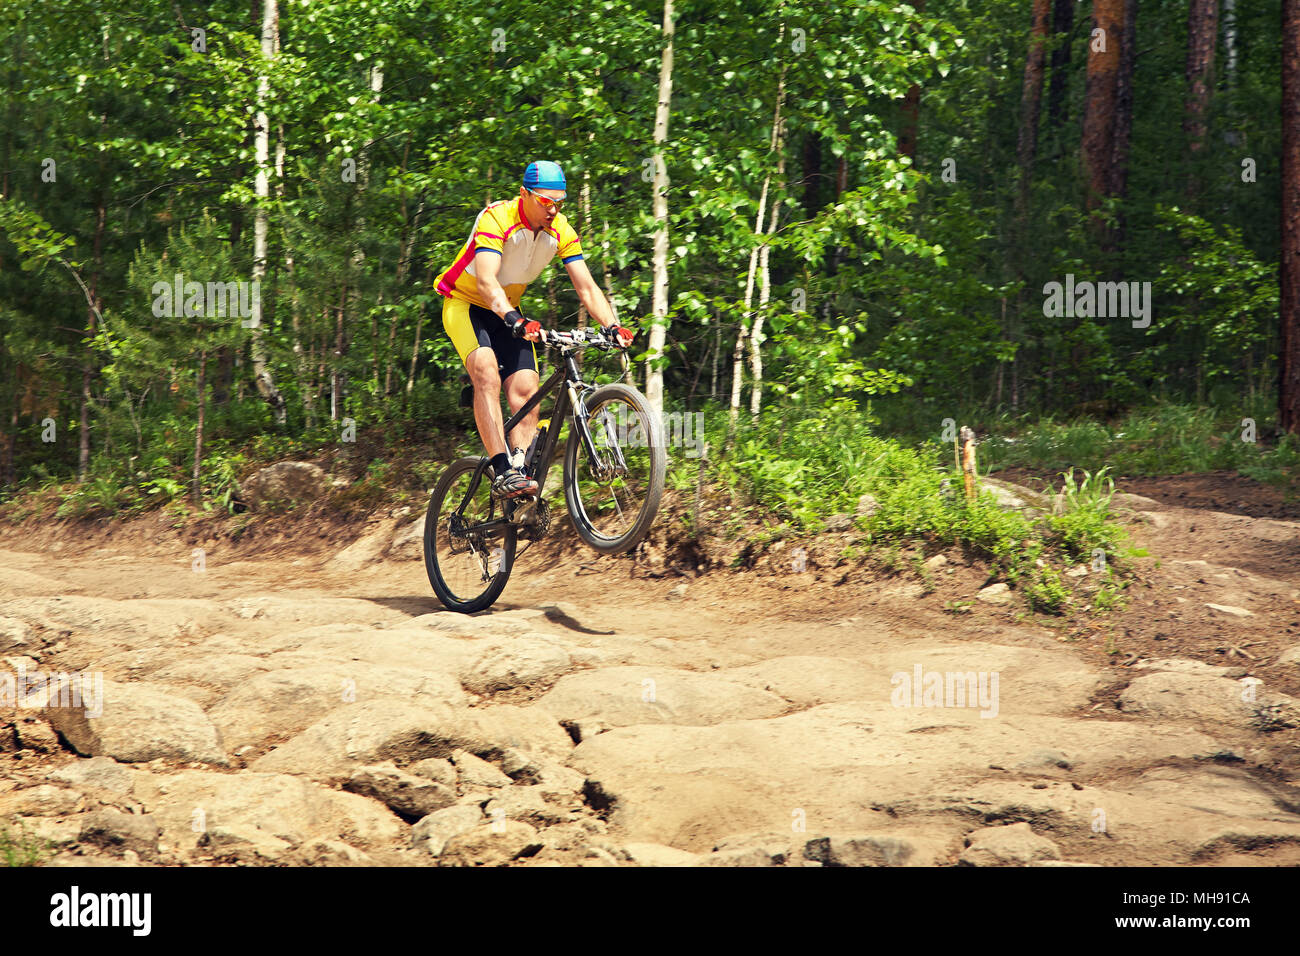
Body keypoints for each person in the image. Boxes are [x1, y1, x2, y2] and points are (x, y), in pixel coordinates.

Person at [434, 161, 634, 499]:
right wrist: (513, 319)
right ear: (524, 194)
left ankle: (522, 475)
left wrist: (612, 325)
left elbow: (586, 288)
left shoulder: (562, 231)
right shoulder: (497, 217)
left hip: (508, 311)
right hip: (467, 304)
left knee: (526, 387)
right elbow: (485, 281)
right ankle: (500, 469)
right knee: (485, 371)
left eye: (560, 202)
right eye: (545, 201)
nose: (553, 210)